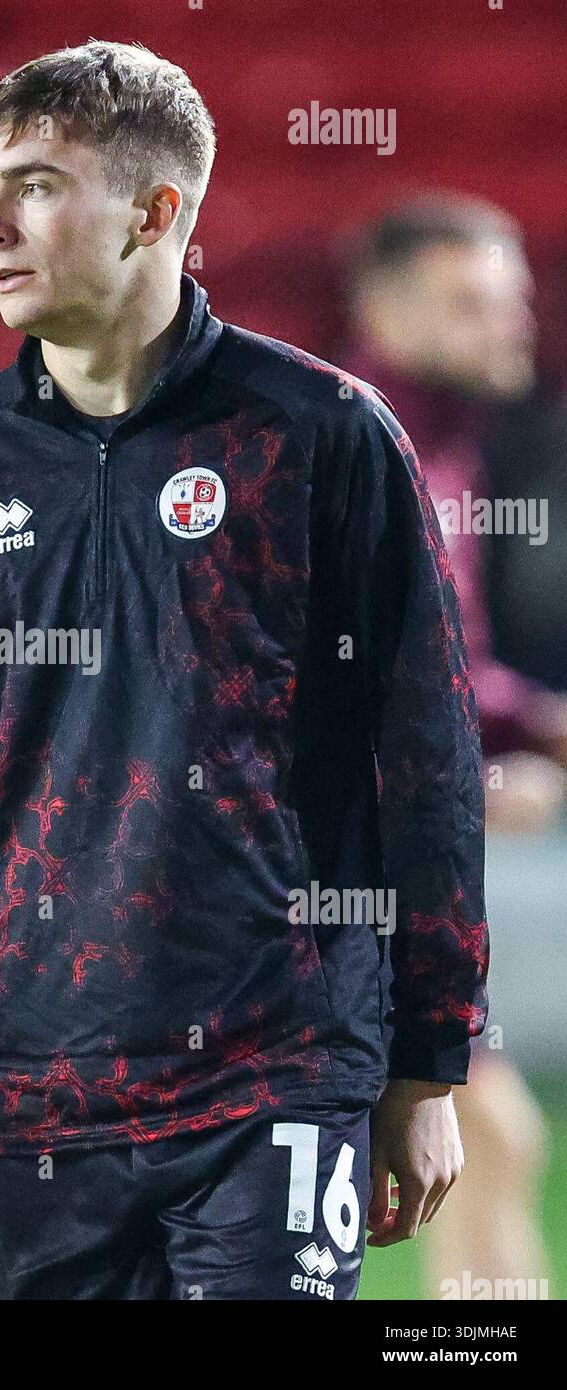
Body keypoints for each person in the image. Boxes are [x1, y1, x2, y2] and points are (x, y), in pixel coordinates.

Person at [0, 41, 488, 1301]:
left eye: (35, 184)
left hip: (278, 1067)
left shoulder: (319, 437)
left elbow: (424, 754)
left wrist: (427, 1057)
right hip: (47, 1094)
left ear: (156, 212)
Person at [344, 194, 562, 1300]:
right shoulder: (351, 449)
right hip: (312, 883)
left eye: (510, 299)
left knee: (482, 1136)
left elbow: (442, 658)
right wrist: (471, 779)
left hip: (367, 877)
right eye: (470, 302)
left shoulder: (436, 444)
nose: (508, 325)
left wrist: (531, 724)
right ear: (384, 309)